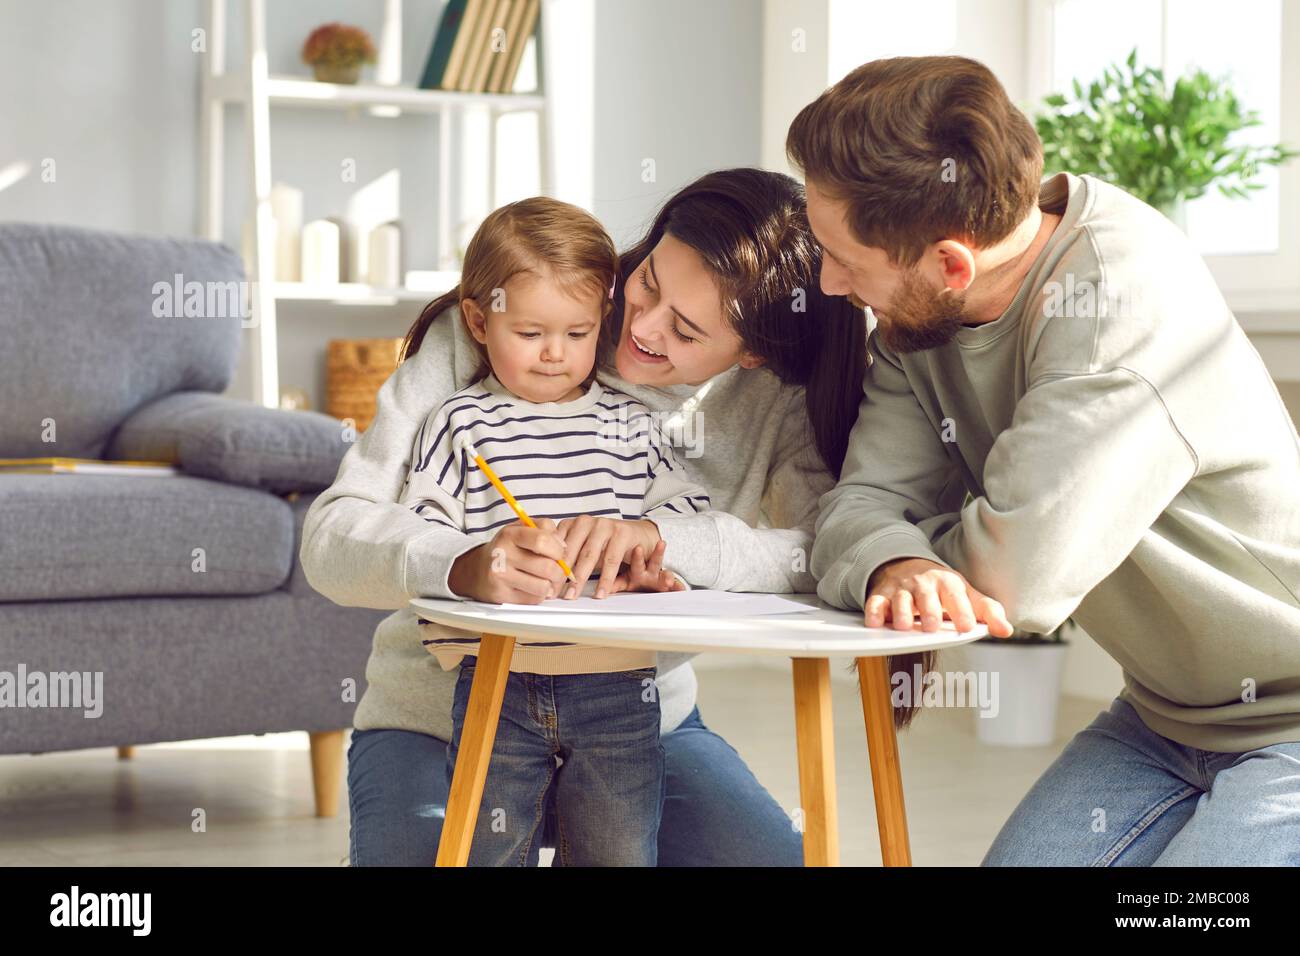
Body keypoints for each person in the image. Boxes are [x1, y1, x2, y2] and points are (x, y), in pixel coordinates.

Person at [790, 55, 1300, 865]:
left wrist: (918, 551)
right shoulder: (918, 322)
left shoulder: (1116, 311)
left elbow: (1011, 582)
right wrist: (893, 565)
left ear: (952, 263)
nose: (827, 282)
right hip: (1166, 717)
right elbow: (860, 506)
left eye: (846, 260)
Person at [299, 168, 869, 866]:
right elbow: (331, 539)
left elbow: (820, 552)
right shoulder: (504, 320)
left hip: (637, 717)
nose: (640, 327)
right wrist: (461, 562)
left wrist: (669, 543)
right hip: (437, 718)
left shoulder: (776, 399)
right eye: (650, 282)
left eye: (686, 330)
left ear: (751, 354)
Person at [399, 196, 709, 866]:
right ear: (479, 322)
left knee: (618, 852)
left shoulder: (630, 426)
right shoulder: (459, 424)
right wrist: (475, 564)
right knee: (485, 849)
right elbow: (422, 536)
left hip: (621, 685)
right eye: (531, 332)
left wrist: (649, 553)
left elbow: (687, 519)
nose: (553, 355)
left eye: (577, 333)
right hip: (495, 678)